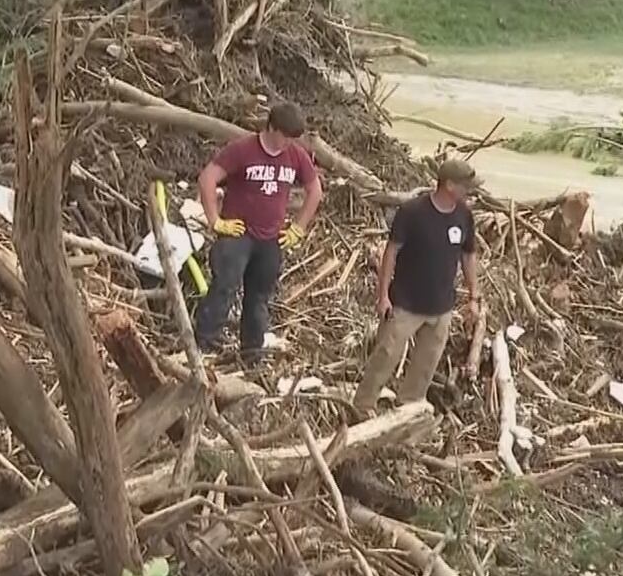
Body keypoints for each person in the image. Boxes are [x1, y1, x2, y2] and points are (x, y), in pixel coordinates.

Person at [195, 102, 324, 364]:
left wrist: (298, 227)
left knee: (259, 297)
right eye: (285, 136)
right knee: (224, 288)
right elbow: (207, 178)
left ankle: (251, 353)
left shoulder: (296, 156)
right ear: (272, 127)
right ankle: (204, 345)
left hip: (271, 238)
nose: (288, 142)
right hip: (237, 234)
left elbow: (315, 191)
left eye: (293, 138)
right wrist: (215, 221)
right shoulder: (242, 149)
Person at [355, 159, 484, 410]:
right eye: (465, 185)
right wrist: (383, 296)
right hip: (405, 303)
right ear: (448, 185)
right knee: (385, 357)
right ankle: (361, 405)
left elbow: (468, 255)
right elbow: (391, 253)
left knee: (426, 363)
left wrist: (473, 297)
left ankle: (409, 407)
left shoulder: (464, 215)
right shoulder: (413, 212)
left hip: (441, 307)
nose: (469, 190)